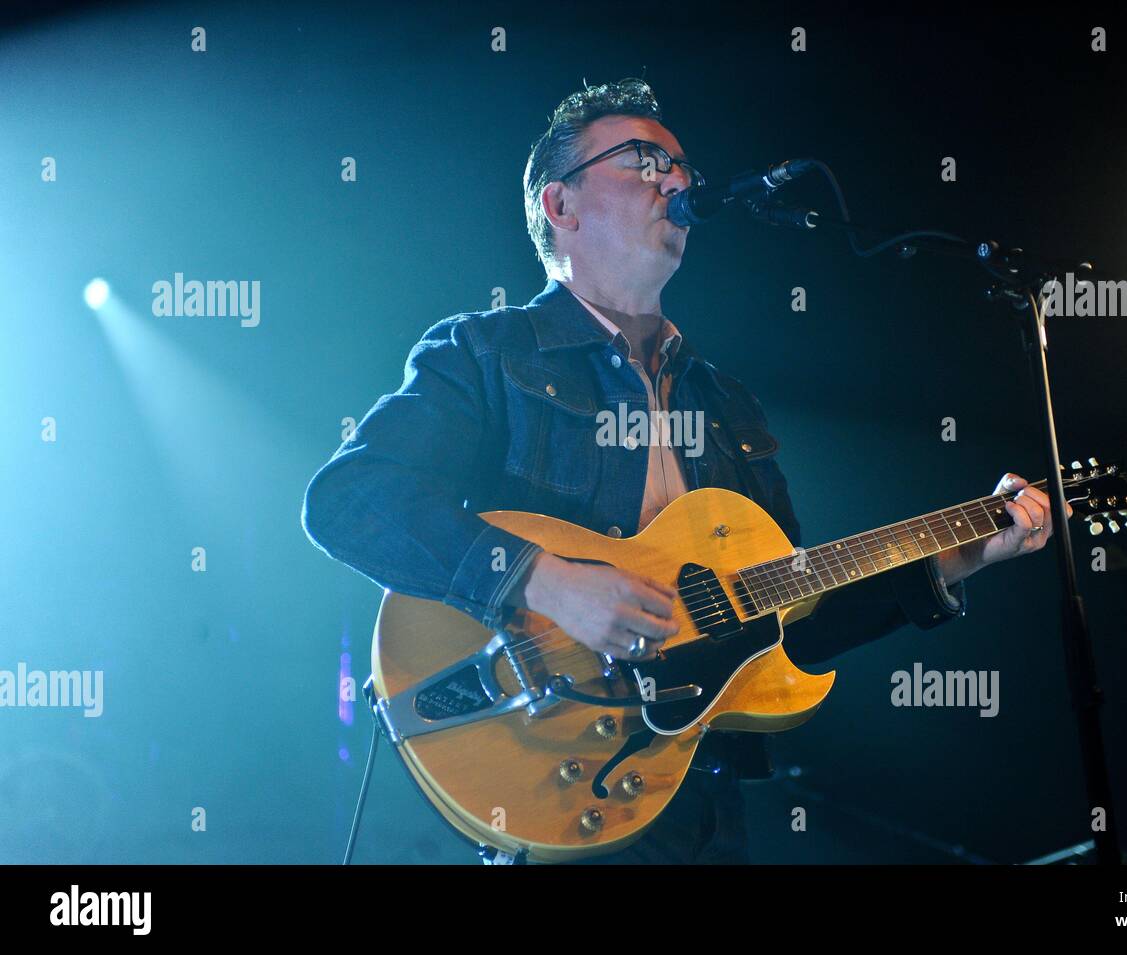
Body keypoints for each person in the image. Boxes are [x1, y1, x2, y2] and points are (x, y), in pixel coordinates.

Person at [301, 77, 1064, 864]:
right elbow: (351, 501)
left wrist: (957, 556)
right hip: (558, 768)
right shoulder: (488, 352)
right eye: (642, 160)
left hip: (700, 794)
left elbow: (787, 620)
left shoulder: (727, 402)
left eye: (680, 166)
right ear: (560, 207)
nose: (677, 180)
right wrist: (544, 580)